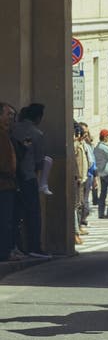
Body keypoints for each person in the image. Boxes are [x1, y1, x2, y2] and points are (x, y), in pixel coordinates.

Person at [11, 103, 50, 258]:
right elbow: (40, 161)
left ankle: (16, 245)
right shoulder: (36, 133)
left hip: (12, 177)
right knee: (33, 213)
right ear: (38, 117)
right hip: (28, 176)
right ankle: (34, 246)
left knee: (14, 214)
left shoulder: (13, 130)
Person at [0, 101, 17, 262]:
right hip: (4, 183)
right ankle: (4, 252)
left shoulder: (6, 134)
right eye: (7, 115)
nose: (10, 118)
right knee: (5, 220)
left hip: (7, 183)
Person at [74, 123, 88, 241]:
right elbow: (77, 163)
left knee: (79, 205)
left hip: (81, 178)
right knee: (76, 205)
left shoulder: (80, 145)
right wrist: (79, 176)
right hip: (77, 178)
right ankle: (75, 232)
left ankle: (77, 230)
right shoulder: (76, 146)